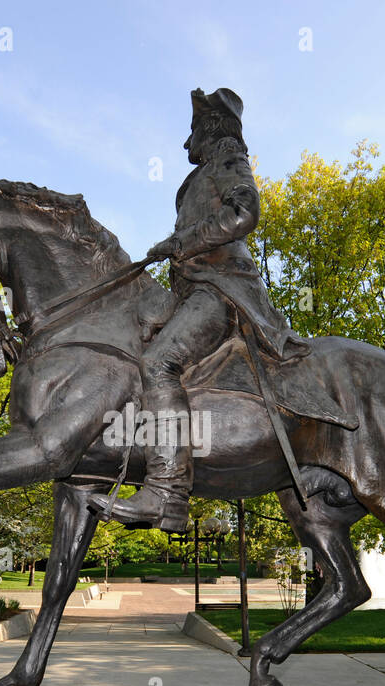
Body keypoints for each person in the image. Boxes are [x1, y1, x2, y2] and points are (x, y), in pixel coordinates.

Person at [90, 87, 305, 532]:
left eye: (192, 131)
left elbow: (244, 213)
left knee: (158, 361)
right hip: (193, 290)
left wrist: (181, 243)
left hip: (221, 289)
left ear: (211, 129)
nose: (186, 143)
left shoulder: (228, 159)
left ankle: (166, 492)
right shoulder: (203, 173)